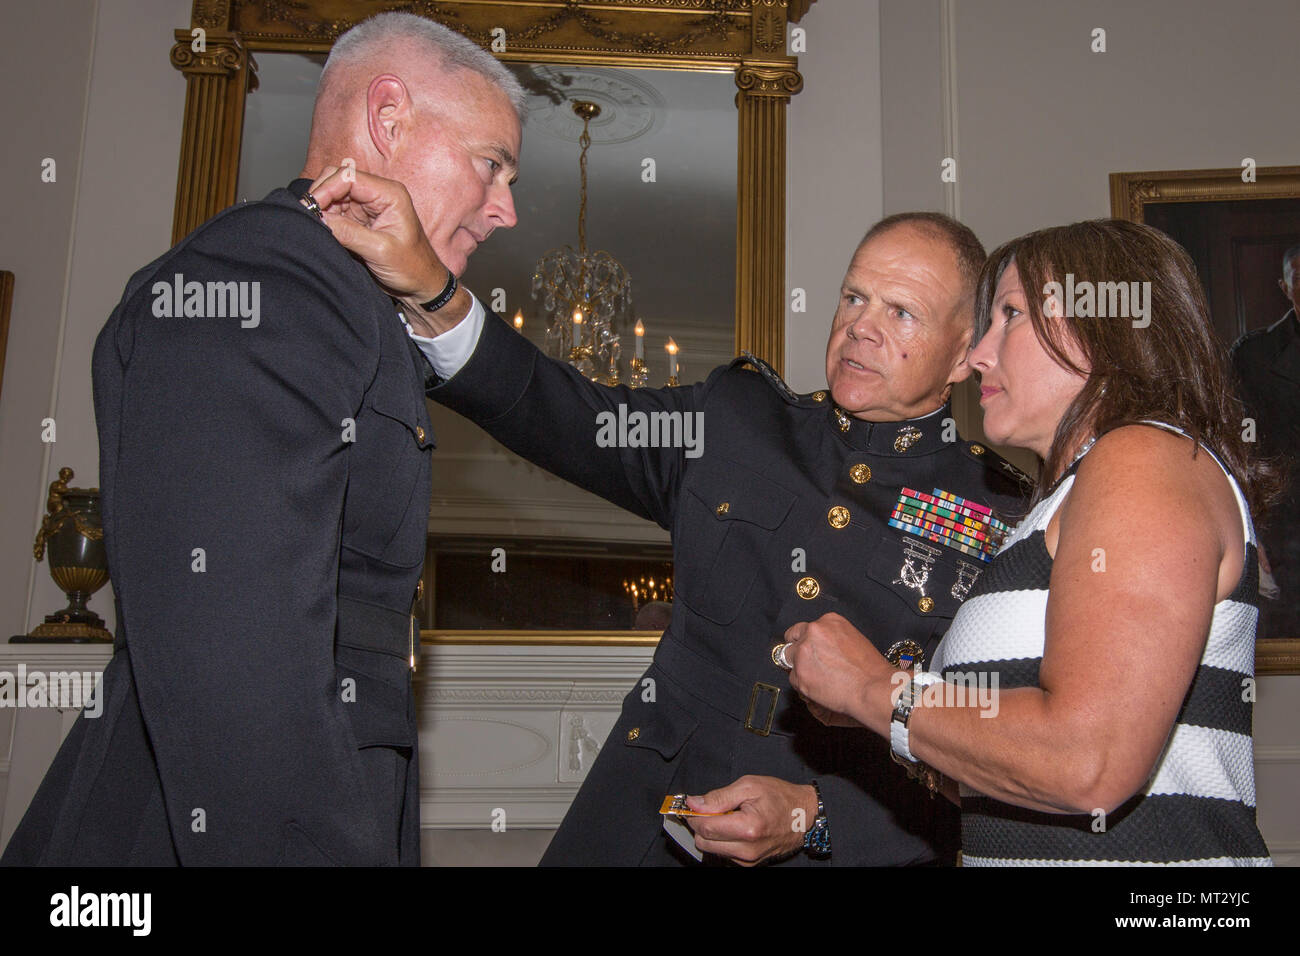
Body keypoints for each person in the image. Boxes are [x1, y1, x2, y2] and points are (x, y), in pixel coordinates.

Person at [307, 185, 1032, 863]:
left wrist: (816, 813)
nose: (859, 328)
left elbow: (990, 753)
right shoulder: (740, 420)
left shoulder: (1007, 517)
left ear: (967, 352)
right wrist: (436, 294)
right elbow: (564, 415)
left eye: (900, 313)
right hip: (640, 817)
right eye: (853, 296)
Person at [1, 12, 522, 866]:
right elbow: (236, 658)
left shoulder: (348, 299)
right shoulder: (264, 275)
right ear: (388, 116)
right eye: (491, 164)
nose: (504, 209)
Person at [785, 218, 1275, 866]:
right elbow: (1012, 785)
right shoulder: (1053, 507)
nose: (980, 355)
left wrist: (875, 689)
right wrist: (878, 721)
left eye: (1010, 315)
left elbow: (1088, 760)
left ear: (1107, 327)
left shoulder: (1142, 457)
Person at [1231, 244, 1300, 639]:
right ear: (1285, 287)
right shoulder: (1253, 357)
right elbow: (1236, 450)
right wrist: (1251, 530)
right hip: (1284, 526)